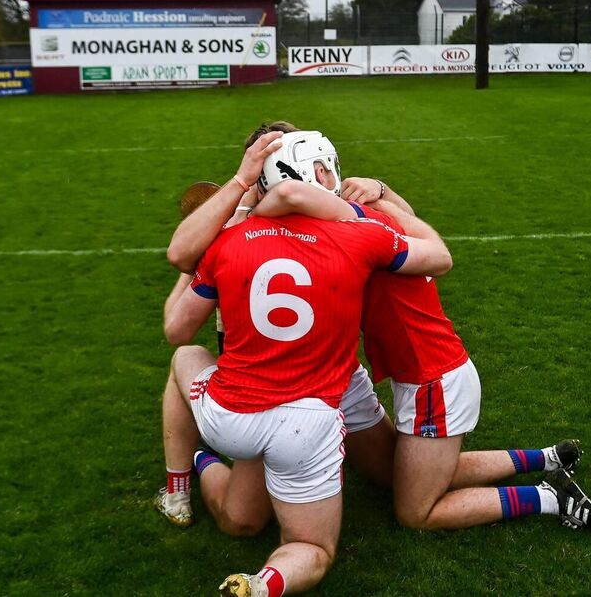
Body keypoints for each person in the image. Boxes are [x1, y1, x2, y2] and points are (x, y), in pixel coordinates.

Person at [164, 122, 591, 541]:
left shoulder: (352, 223)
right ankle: (547, 457)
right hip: (357, 374)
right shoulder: (343, 221)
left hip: (430, 376)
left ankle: (550, 496)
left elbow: (435, 252)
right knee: (394, 476)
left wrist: (369, 195)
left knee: (415, 509)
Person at [162, 130, 454, 596]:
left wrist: (205, 255)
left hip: (231, 417)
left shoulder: (230, 240)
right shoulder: (359, 234)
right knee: (312, 547)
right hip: (308, 421)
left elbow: (177, 326)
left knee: (186, 358)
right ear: (319, 171)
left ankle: (185, 473)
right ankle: (263, 585)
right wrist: (368, 201)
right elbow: (439, 256)